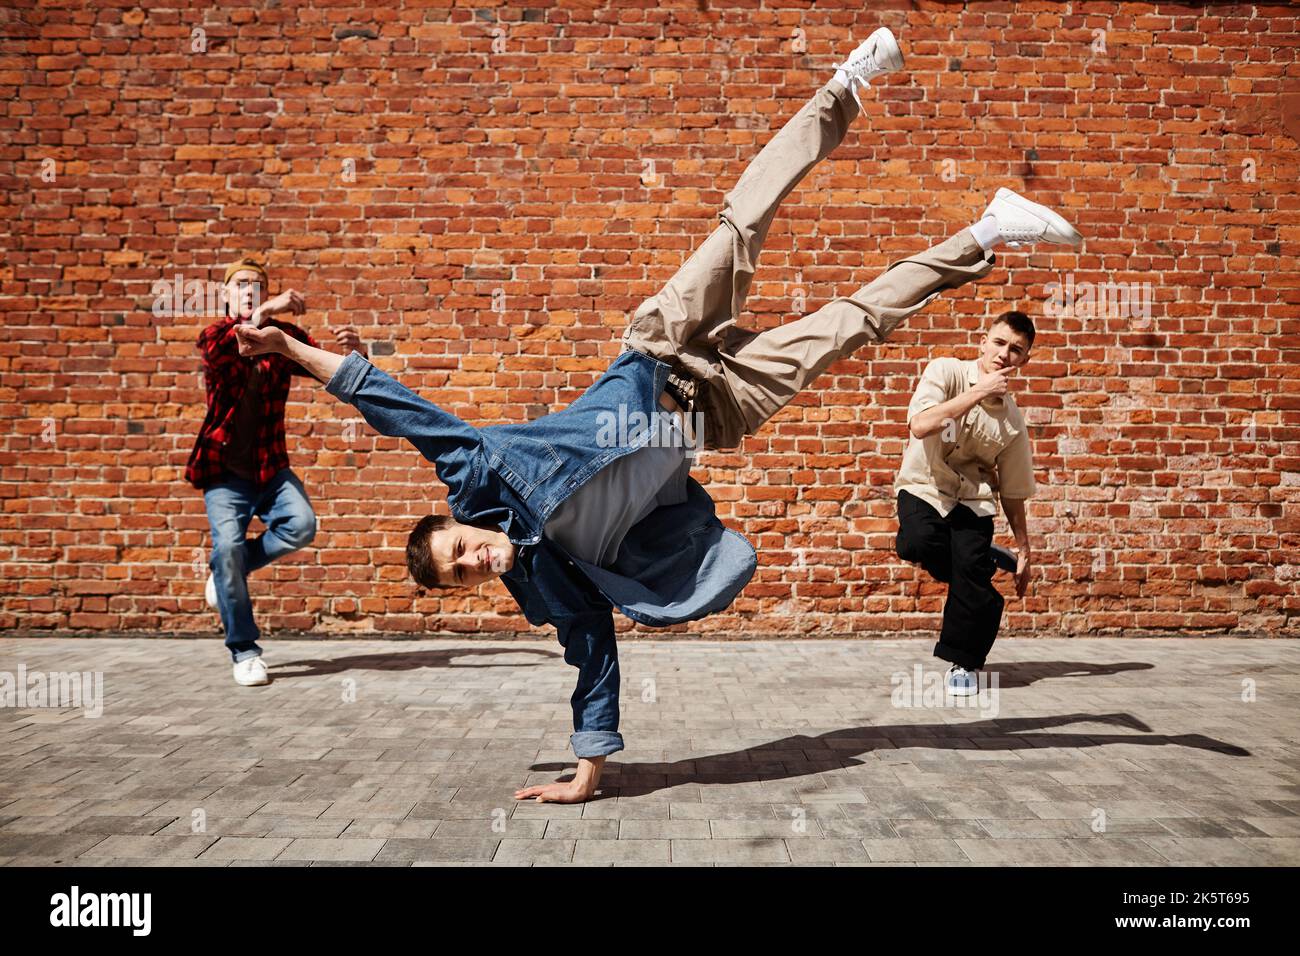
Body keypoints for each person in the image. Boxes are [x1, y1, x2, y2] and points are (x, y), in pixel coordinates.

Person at [232, 26, 1080, 801]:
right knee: (851, 324)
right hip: (712, 411)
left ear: (458, 523)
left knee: (742, 225)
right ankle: (987, 232)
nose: (474, 564)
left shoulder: (480, 472)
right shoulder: (545, 584)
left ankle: (847, 85)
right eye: (461, 577)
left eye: (459, 550)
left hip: (657, 350)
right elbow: (592, 652)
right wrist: (587, 771)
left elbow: (399, 409)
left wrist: (291, 351)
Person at [184, 256, 365, 686]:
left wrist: (352, 352)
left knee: (300, 525)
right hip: (224, 472)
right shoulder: (214, 335)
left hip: (270, 468)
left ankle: (229, 569)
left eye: (258, 287)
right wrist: (266, 315)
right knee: (226, 547)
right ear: (227, 293)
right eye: (242, 285)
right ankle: (244, 651)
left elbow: (324, 368)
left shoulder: (282, 337)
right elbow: (231, 347)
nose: (250, 292)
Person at [894, 309, 1042, 697]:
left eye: (1015, 350)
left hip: (973, 501)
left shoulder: (1012, 423)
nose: (1004, 354)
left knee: (971, 581)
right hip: (924, 486)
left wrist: (1025, 549)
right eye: (999, 343)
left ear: (1023, 361)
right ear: (983, 341)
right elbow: (921, 425)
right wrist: (979, 391)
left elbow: (1013, 489)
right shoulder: (945, 373)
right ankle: (981, 561)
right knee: (916, 544)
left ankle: (966, 663)